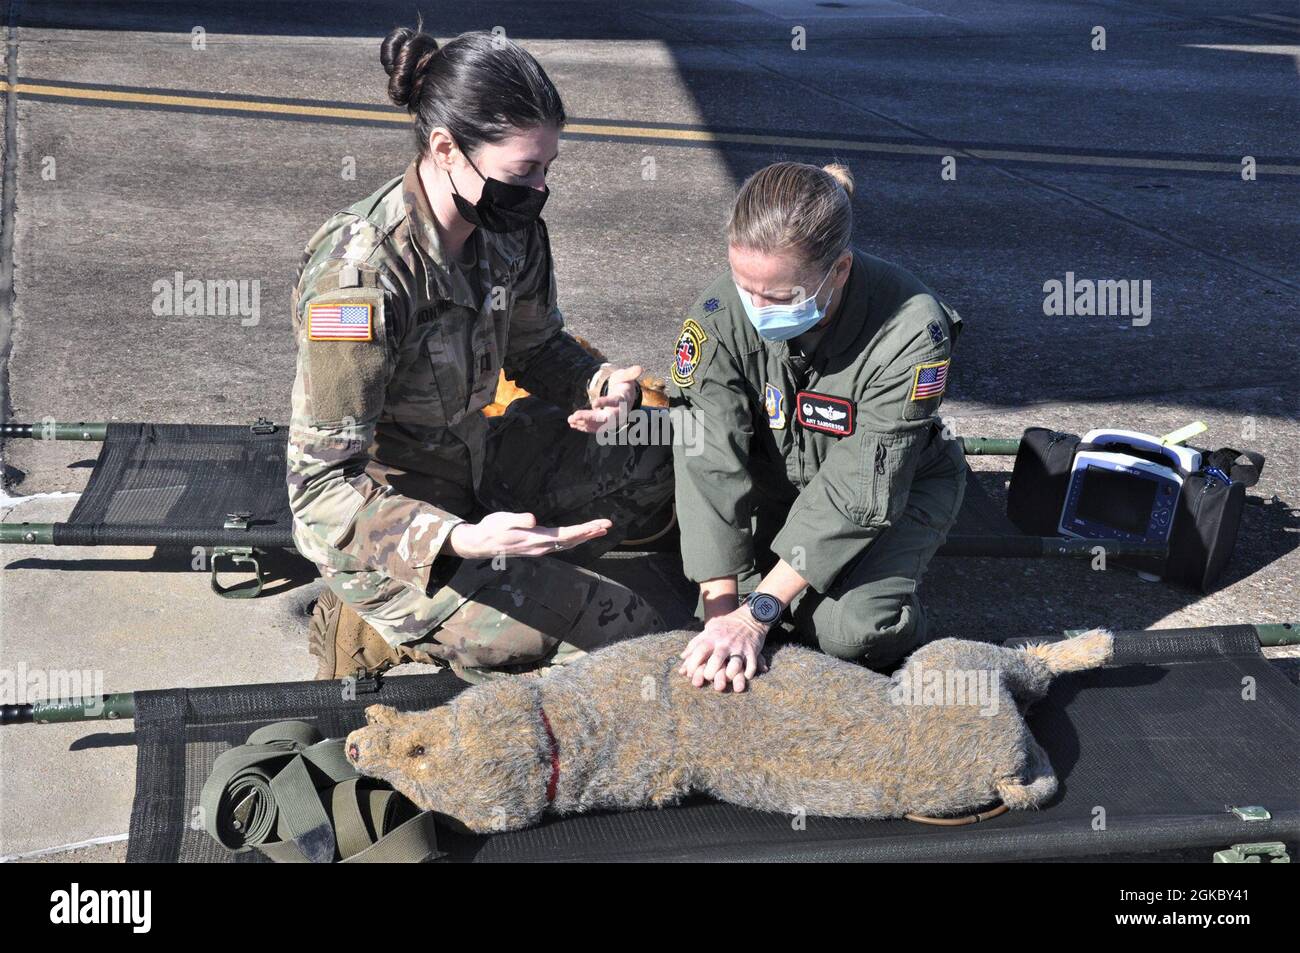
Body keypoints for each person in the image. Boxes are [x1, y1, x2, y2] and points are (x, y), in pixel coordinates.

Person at [288, 26, 673, 683]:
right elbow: (320, 494)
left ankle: (515, 585)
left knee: (660, 443)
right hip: (392, 533)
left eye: (548, 168)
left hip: (476, 464)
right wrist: (457, 540)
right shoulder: (359, 279)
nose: (541, 188)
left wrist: (599, 386)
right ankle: (375, 626)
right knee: (625, 631)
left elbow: (538, 347)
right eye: (524, 171)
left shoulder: (509, 232)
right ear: (446, 148)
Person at [670, 161, 967, 693]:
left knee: (855, 634)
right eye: (746, 288)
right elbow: (706, 459)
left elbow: (862, 486)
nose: (758, 309)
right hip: (778, 485)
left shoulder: (913, 330)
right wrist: (721, 612)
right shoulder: (719, 311)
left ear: (841, 269)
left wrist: (755, 614)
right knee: (719, 608)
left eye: (781, 297)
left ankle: (923, 625)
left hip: (889, 489)